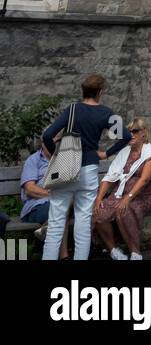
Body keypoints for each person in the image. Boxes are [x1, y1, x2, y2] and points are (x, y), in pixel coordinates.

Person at [41, 74, 121, 261]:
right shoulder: (107, 113)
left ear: (83, 91)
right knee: (83, 224)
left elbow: (47, 135)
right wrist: (107, 153)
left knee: (55, 224)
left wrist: (56, 155)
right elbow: (123, 136)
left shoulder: (72, 109)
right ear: (100, 92)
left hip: (67, 166)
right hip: (89, 170)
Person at [93, 118, 151, 261]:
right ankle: (113, 250)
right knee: (99, 212)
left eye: (135, 131)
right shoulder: (124, 152)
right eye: (128, 131)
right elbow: (110, 176)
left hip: (143, 195)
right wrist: (99, 198)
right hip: (119, 193)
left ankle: (135, 252)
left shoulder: (150, 152)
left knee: (123, 210)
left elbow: (144, 180)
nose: (131, 134)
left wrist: (128, 198)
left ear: (143, 133)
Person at [19, 145, 69, 256]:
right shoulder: (33, 160)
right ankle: (63, 255)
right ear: (43, 143)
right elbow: (30, 189)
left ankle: (47, 228)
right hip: (37, 206)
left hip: (63, 202)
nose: (55, 144)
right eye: (51, 141)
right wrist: (54, 195)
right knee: (60, 210)